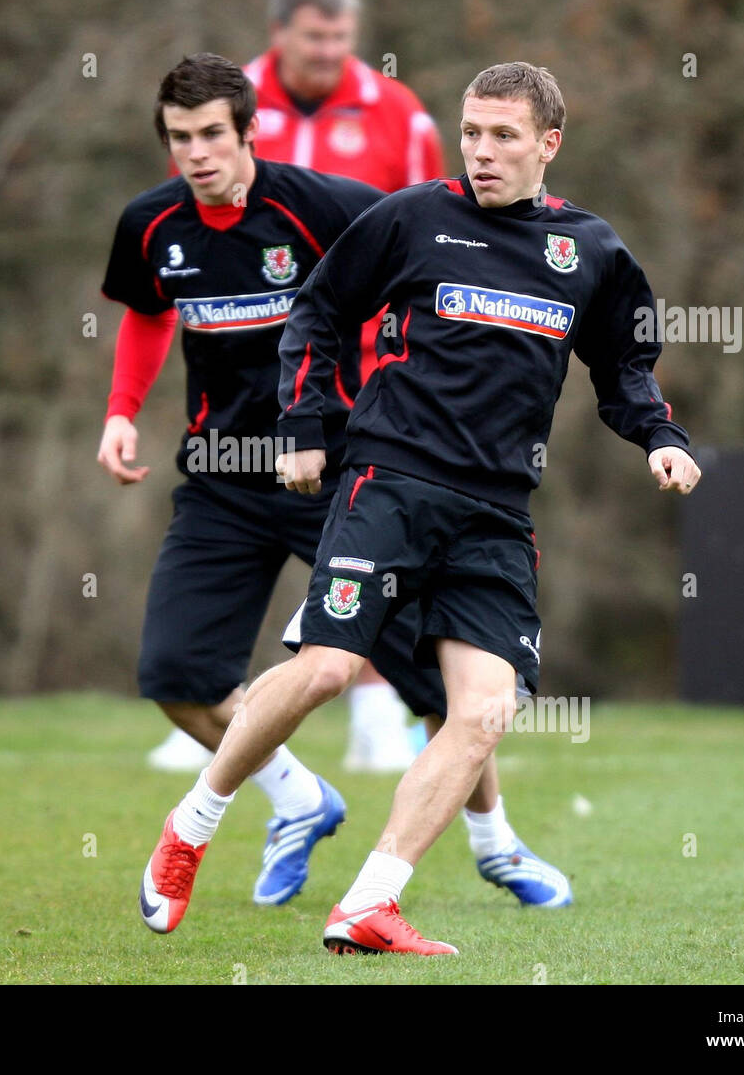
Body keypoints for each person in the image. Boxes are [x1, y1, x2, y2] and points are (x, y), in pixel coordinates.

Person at [138, 61, 701, 953]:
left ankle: (370, 900)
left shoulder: (589, 252)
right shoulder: (412, 219)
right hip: (388, 483)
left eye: (504, 136)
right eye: (472, 132)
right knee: (326, 669)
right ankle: (191, 827)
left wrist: (662, 438)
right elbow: (315, 313)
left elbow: (624, 369)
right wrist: (305, 424)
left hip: (497, 513)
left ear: (549, 144)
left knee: (480, 713)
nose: (481, 151)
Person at [103, 54, 569, 915]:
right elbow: (147, 313)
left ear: (251, 132)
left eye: (212, 134)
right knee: (175, 673)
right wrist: (122, 408)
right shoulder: (149, 224)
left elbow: (422, 255)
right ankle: (298, 801)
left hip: (340, 474)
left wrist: (341, 414)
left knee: (446, 685)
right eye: (178, 139)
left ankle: (496, 844)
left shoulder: (327, 205)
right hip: (218, 477)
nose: (196, 154)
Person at [149, 0, 443, 775]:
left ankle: (388, 711)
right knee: (231, 524)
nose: (329, 53)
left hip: (360, 362)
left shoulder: (398, 113)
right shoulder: (226, 99)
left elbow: (429, 226)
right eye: (315, 38)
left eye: (343, 39)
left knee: (368, 538)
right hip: (243, 377)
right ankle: (208, 700)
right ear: (280, 34)